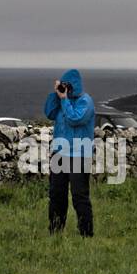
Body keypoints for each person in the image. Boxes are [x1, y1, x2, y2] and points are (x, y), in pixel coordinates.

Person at [43, 69, 95, 237]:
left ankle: (86, 234)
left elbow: (75, 119)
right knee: (57, 194)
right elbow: (49, 113)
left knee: (79, 196)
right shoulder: (61, 101)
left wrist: (64, 100)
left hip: (80, 154)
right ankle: (55, 232)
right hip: (59, 154)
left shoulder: (85, 101)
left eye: (67, 85)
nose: (66, 89)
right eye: (63, 85)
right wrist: (55, 93)